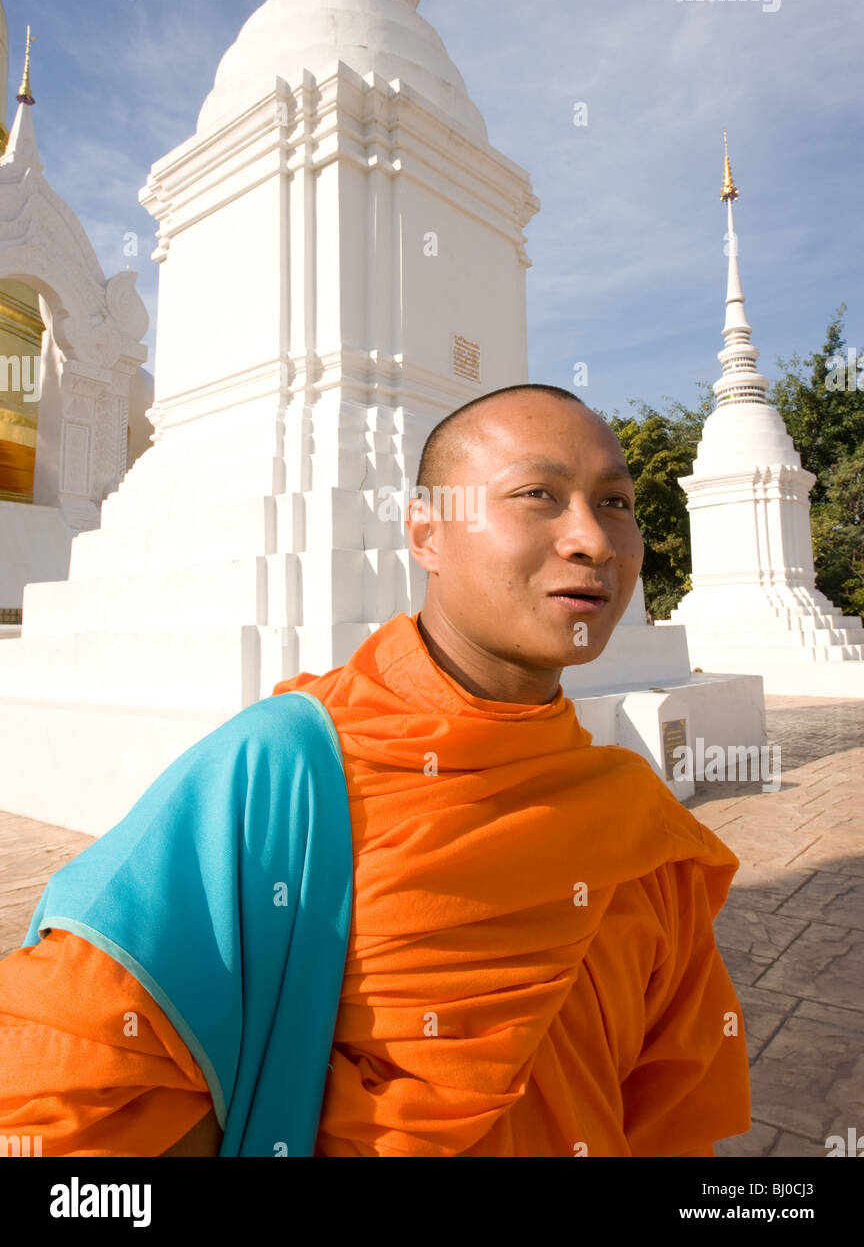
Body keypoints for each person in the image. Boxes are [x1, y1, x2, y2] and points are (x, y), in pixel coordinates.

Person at [0, 384, 750, 1156]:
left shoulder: (633, 823)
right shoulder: (280, 771)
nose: (593, 539)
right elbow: (58, 1086)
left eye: (617, 503)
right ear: (426, 534)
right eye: (538, 495)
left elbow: (668, 1109)